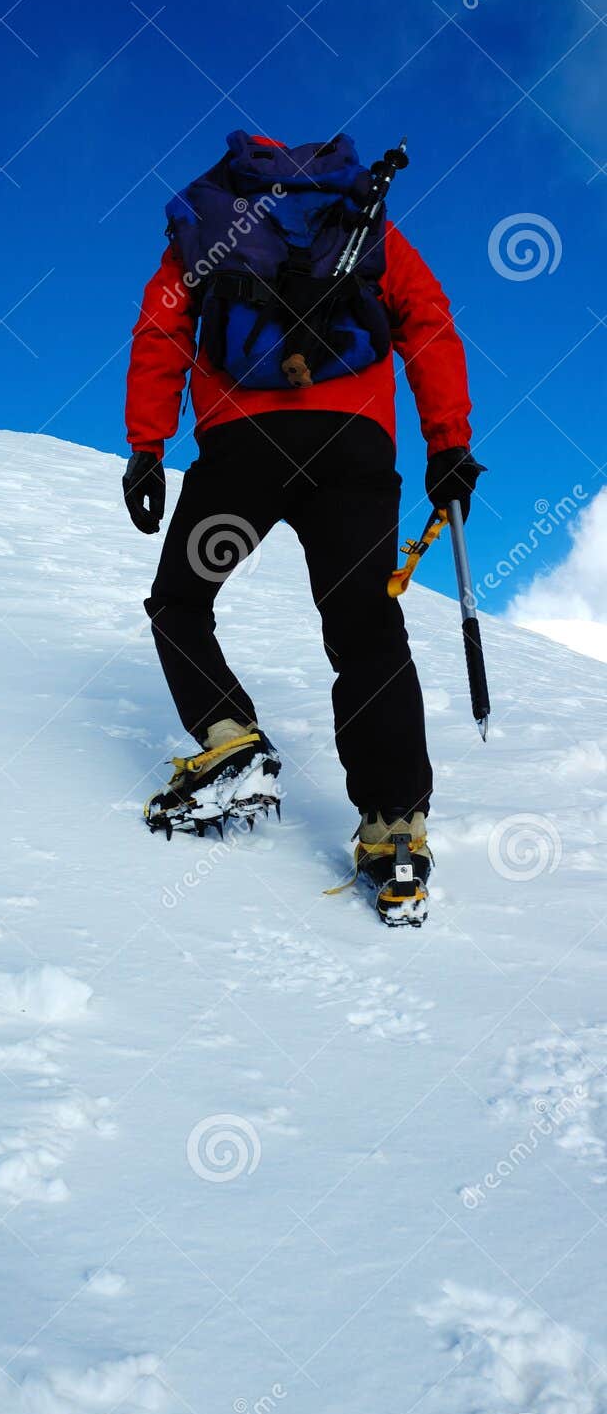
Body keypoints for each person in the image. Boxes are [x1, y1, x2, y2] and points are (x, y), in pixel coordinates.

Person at [121, 131, 482, 924]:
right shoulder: (362, 223)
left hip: (244, 447)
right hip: (352, 446)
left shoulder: (209, 223)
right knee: (364, 626)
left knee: (181, 600)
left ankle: (229, 736)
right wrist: (449, 443)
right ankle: (395, 826)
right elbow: (426, 321)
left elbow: (164, 331)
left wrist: (147, 448)